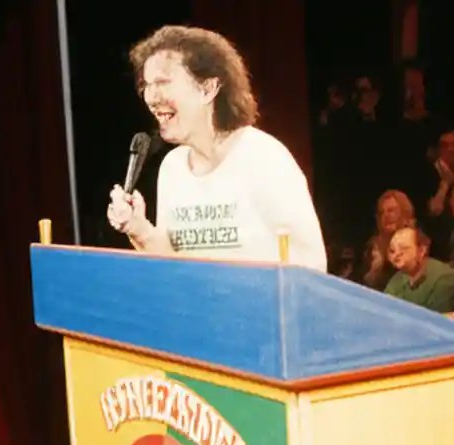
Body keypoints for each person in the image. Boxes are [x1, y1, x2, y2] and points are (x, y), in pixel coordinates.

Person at [105, 26, 327, 271]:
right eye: (147, 85)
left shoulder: (263, 157)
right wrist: (138, 229)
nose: (151, 97)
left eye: (163, 82)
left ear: (208, 89)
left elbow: (312, 264)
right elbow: (173, 265)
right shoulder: (173, 169)